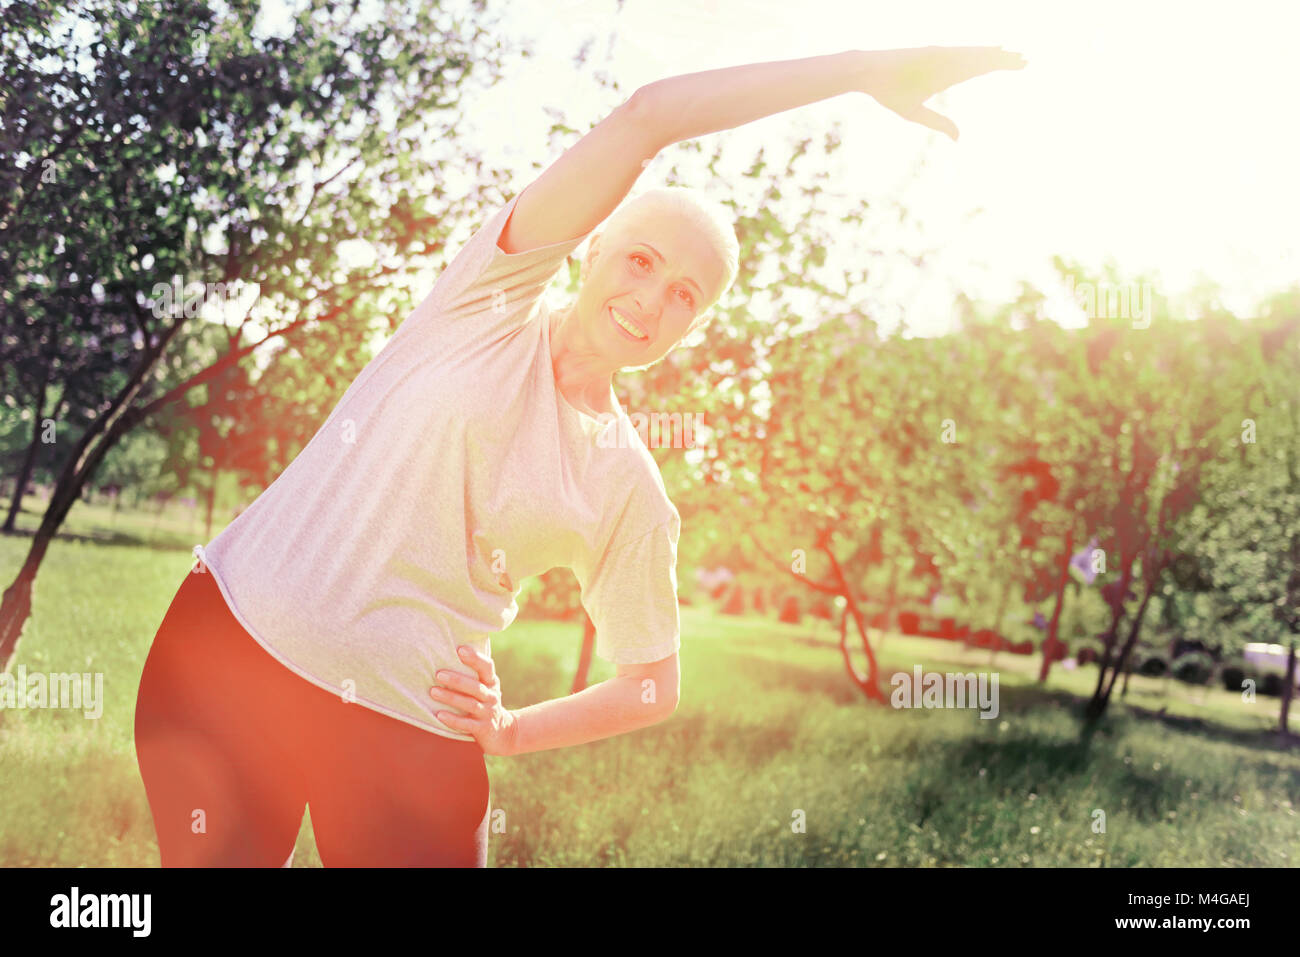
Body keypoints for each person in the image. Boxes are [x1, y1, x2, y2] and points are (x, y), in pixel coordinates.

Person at [133, 45, 1026, 868]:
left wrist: (513, 730)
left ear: (695, 326)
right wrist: (860, 71)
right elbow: (648, 115)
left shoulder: (627, 484)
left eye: (683, 295)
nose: (649, 300)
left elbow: (651, 685)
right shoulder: (485, 298)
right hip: (233, 653)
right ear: (594, 244)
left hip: (408, 728)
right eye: (640, 260)